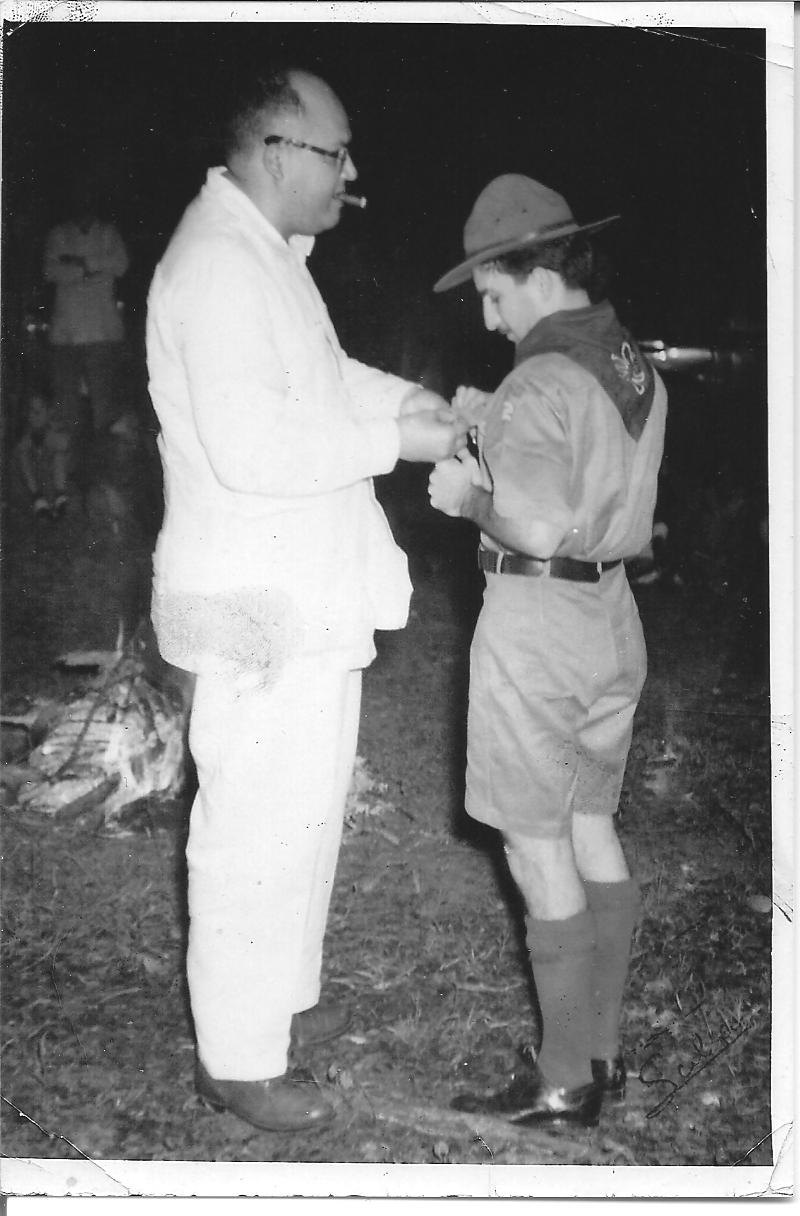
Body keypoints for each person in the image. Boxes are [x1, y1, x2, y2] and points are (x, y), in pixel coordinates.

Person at [146, 66, 466, 1135]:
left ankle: (269, 1005)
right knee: (253, 825)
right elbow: (252, 446)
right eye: (337, 153)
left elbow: (318, 381)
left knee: (303, 813)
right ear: (277, 151)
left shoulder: (263, 255)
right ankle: (236, 1057)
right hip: (254, 604)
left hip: (296, 593)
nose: (350, 173)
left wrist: (402, 401)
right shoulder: (221, 269)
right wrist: (391, 440)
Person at [428, 175, 667, 1128]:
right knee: (590, 828)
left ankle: (562, 1078)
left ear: (523, 272)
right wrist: (496, 416)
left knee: (536, 846)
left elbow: (530, 518)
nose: (488, 317)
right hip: (611, 624)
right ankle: (599, 1050)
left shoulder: (537, 380)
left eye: (490, 293)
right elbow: (592, 466)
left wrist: (466, 495)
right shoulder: (629, 361)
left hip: (537, 628)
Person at [42, 181, 130, 487]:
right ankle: (65, 481)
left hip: (101, 331)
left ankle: (106, 480)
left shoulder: (108, 233)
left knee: (104, 409)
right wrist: (91, 271)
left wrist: (79, 263)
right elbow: (51, 271)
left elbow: (120, 265)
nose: (83, 202)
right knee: (66, 409)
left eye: (88, 196)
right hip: (66, 333)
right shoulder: (58, 234)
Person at [12, 387, 69, 521]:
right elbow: (20, 454)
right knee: (22, 455)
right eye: (31, 411)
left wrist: (48, 436)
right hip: (37, 491)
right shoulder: (26, 439)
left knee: (59, 454)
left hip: (57, 487)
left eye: (39, 410)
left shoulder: (56, 432)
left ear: (50, 412)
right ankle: (38, 500)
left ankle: (60, 498)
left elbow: (64, 444)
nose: (35, 415)